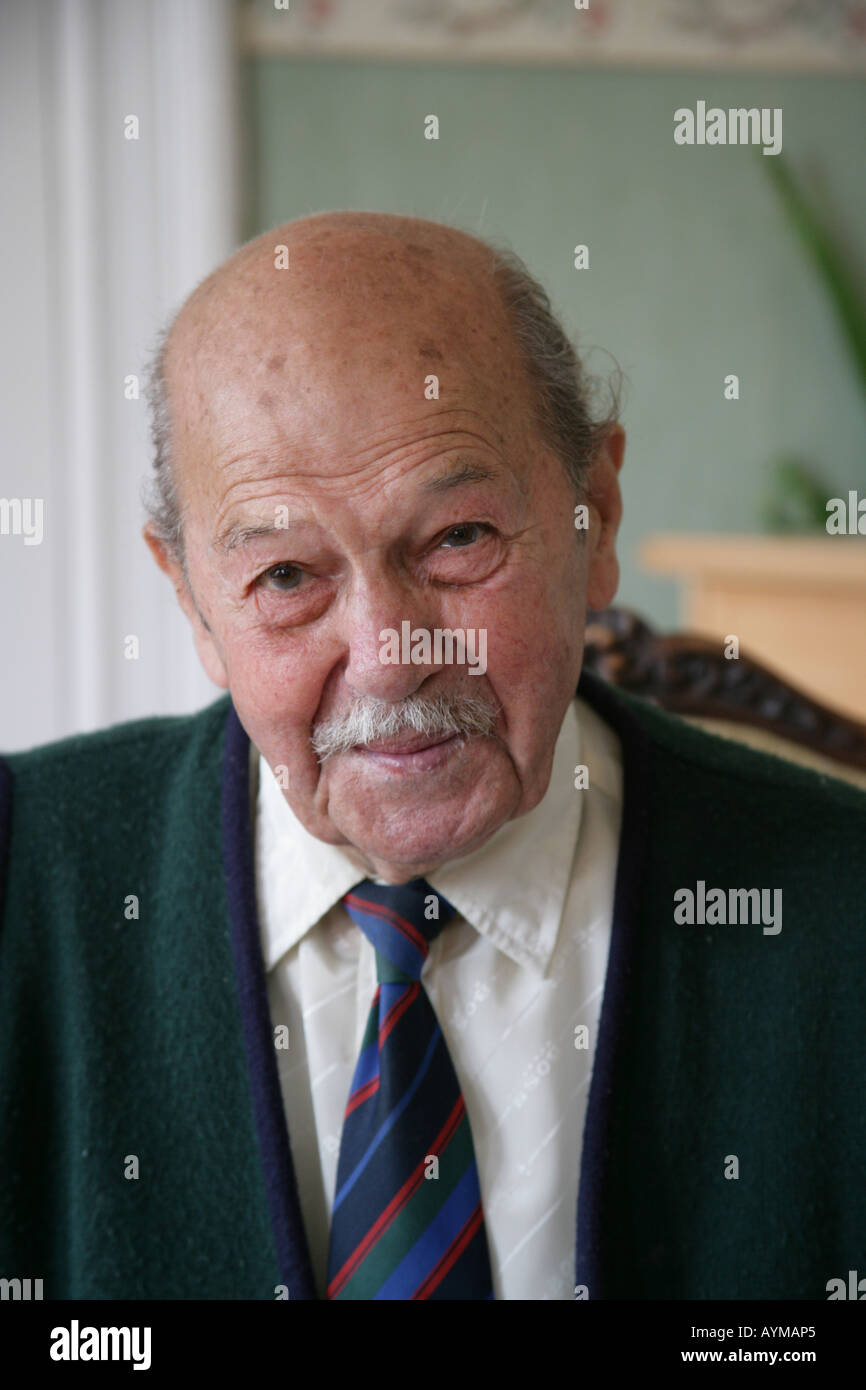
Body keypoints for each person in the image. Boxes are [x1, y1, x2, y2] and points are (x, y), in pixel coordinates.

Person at [1, 212, 864, 1302]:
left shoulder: (840, 910)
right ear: (190, 602)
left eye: (456, 539)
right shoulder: (21, 882)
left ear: (592, 514)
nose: (389, 657)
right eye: (285, 578)